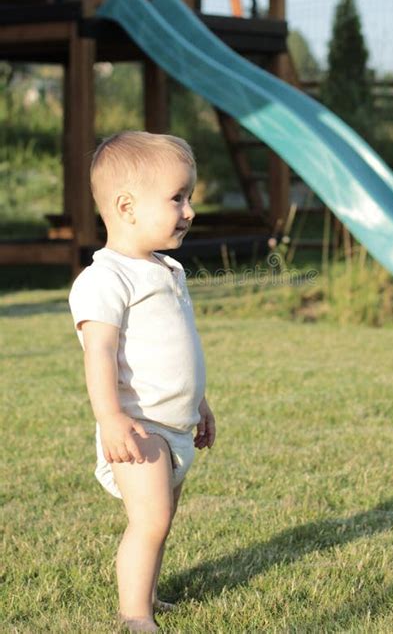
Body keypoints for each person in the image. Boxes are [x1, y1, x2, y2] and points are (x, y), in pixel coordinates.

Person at [68, 131, 216, 632]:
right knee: (149, 520)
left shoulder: (168, 270)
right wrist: (110, 418)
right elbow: (100, 354)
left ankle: (149, 593)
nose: (190, 210)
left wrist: (201, 403)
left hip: (175, 424)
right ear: (127, 207)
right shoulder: (105, 279)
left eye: (189, 197)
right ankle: (135, 614)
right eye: (178, 198)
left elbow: (179, 347)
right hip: (137, 427)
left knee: (163, 521)